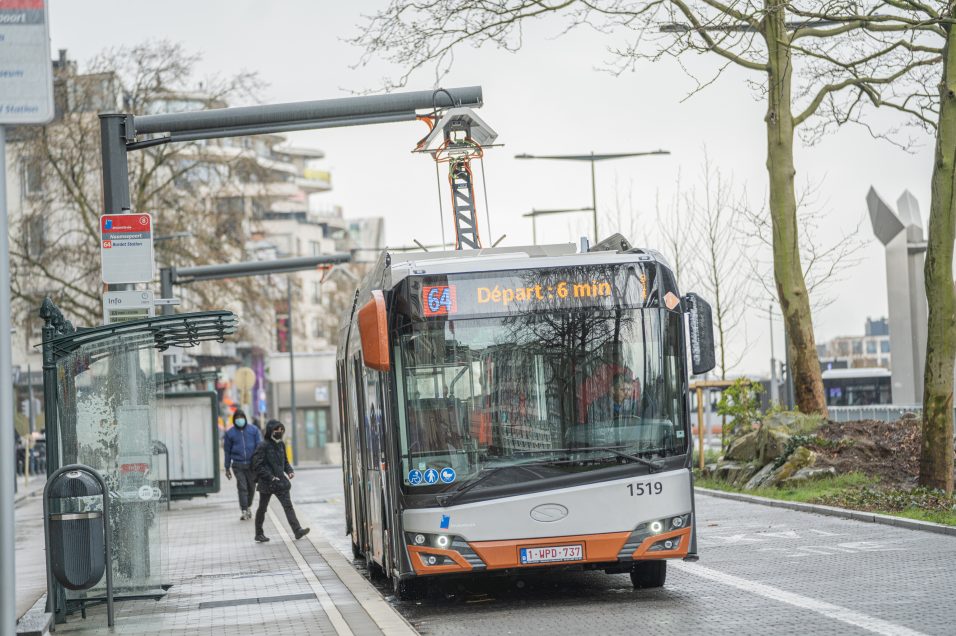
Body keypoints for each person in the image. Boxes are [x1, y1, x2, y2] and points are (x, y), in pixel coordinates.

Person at [251, 419, 309, 543]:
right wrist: (270, 477)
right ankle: (259, 533)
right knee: (262, 508)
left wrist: (289, 471)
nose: (280, 432)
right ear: (270, 430)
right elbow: (257, 465)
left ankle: (297, 530)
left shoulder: (281, 444)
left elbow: (285, 461)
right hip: (267, 482)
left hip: (280, 482)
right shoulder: (263, 445)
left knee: (288, 506)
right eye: (277, 429)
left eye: (281, 429)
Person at [223, 409, 261, 521]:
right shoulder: (230, 433)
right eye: (237, 418)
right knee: (242, 487)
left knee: (251, 488)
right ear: (234, 420)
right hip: (238, 465)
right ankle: (244, 510)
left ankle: (248, 507)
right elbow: (227, 451)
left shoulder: (253, 430)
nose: (240, 419)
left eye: (242, 417)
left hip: (252, 465)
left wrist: (259, 462)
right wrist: (227, 468)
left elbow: (259, 447)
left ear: (245, 418)